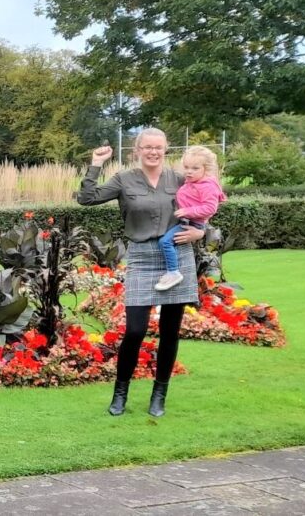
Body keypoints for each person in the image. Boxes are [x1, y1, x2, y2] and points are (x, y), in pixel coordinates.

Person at [77, 128, 204, 418]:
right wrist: (96, 164)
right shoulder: (124, 179)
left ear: (165, 149)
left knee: (170, 331)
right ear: (137, 150)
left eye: (158, 147)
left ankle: (159, 394)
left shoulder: (180, 178)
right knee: (135, 330)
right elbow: (86, 198)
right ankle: (120, 392)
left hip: (176, 254)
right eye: (147, 147)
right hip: (142, 257)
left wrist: (199, 231)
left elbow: (209, 200)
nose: (153, 152)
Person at [155, 146, 226, 290]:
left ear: (206, 169)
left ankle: (173, 272)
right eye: (186, 167)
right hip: (189, 220)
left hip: (193, 223)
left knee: (165, 242)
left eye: (195, 168)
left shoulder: (207, 186)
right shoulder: (193, 182)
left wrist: (187, 211)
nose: (189, 171)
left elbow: (210, 208)